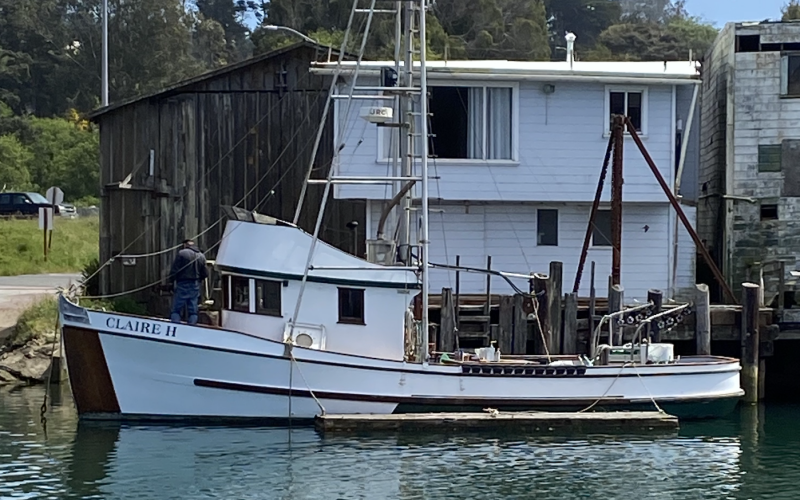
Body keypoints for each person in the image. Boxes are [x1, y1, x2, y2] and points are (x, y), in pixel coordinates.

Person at [168, 239, 208, 324]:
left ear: (185, 245)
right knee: (193, 310)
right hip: (195, 285)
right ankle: (192, 327)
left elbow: (174, 270)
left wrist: (171, 281)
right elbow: (205, 274)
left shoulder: (182, 253)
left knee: (176, 309)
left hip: (182, 283)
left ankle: (175, 326)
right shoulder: (201, 256)